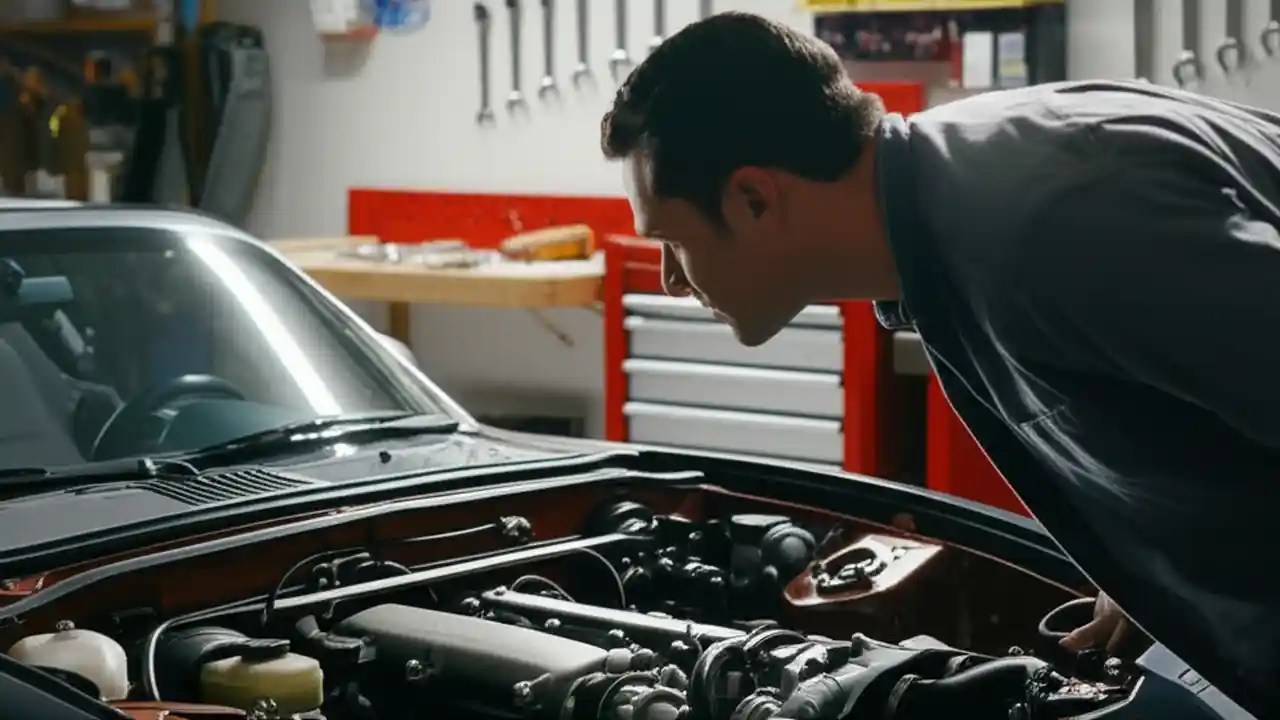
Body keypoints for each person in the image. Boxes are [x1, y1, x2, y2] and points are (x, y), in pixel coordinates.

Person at [599, 11, 1280, 718]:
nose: (670, 281)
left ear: (754, 199)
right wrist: (1148, 567)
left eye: (673, 241)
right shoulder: (961, 196)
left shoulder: (1045, 229)